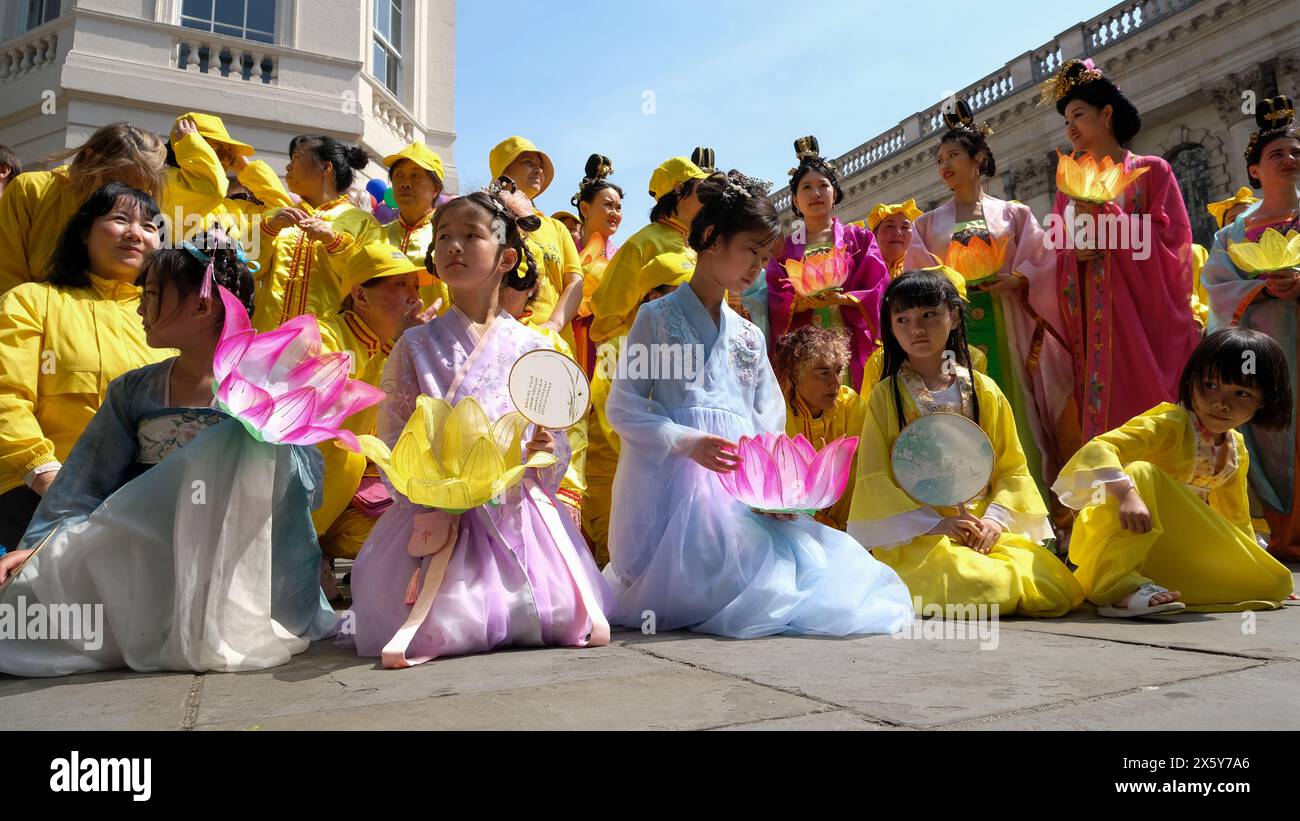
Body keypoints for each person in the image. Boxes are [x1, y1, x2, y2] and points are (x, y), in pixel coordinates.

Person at [602, 170, 913, 638]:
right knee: (741, 579)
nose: (758, 266)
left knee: (812, 572)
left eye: (765, 256)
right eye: (751, 250)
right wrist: (686, 441)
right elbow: (623, 407)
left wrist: (775, 490)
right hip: (670, 488)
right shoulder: (658, 317)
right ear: (710, 240)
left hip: (740, 484)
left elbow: (767, 419)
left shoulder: (747, 334)